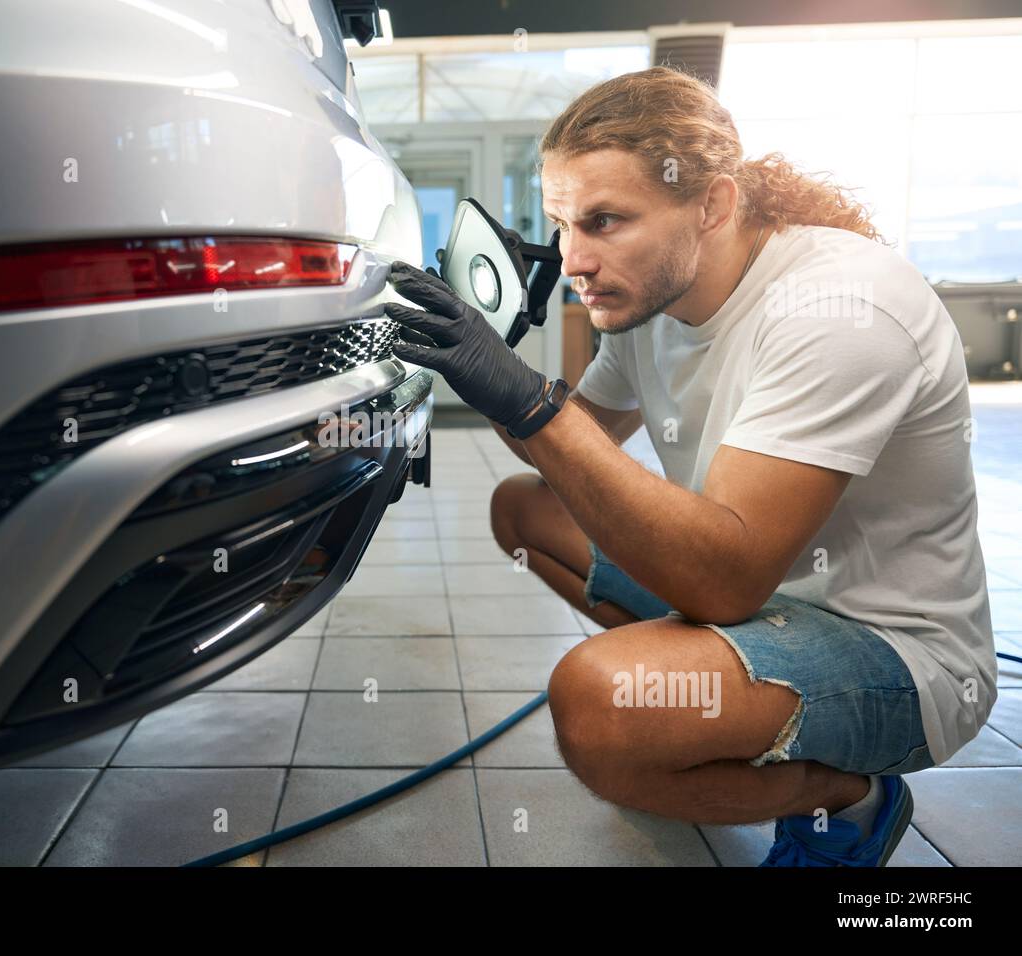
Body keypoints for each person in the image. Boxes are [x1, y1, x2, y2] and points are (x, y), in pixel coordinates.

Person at [384, 66, 995, 867]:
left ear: (711, 204)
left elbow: (727, 579)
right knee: (526, 509)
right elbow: (577, 447)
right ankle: (714, 713)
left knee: (603, 705)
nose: (573, 260)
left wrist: (529, 401)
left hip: (895, 654)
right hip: (764, 597)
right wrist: (492, 369)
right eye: (563, 224)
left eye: (605, 221)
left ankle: (849, 797)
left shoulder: (841, 307)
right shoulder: (652, 302)